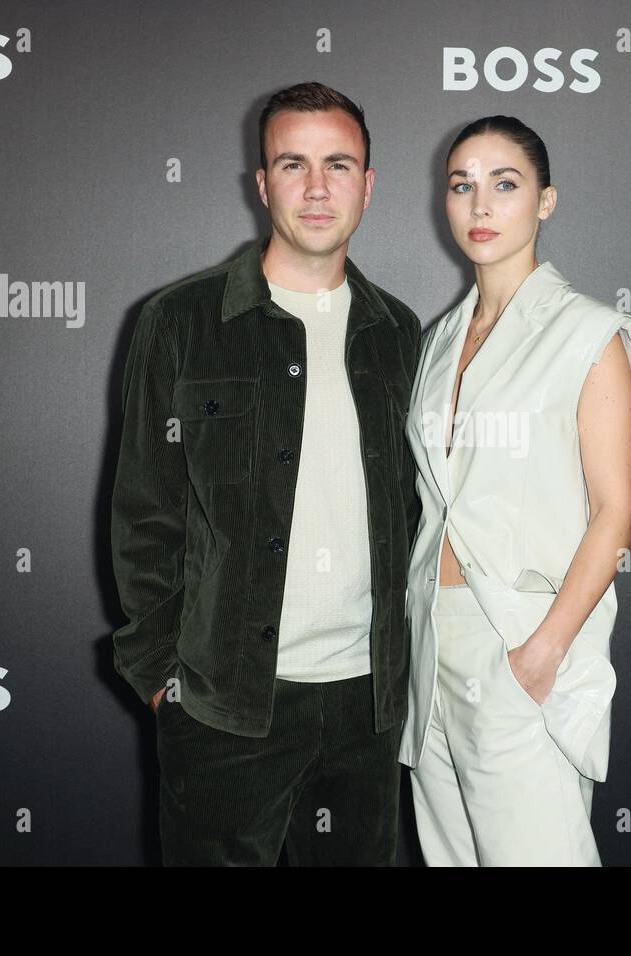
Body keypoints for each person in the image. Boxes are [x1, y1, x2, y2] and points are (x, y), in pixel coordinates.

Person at [110, 81, 422, 865]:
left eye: (339, 165)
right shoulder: (180, 321)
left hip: (370, 711)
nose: (318, 188)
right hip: (225, 710)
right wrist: (163, 683)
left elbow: (418, 513)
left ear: (369, 185)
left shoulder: (400, 334)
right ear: (262, 184)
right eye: (294, 164)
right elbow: (145, 511)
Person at [398, 115, 631, 865]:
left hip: (521, 640)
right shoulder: (440, 340)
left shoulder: (587, 332)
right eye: (461, 186)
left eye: (504, 185)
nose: (480, 206)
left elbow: (616, 513)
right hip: (429, 646)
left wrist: (542, 652)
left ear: (545, 201)